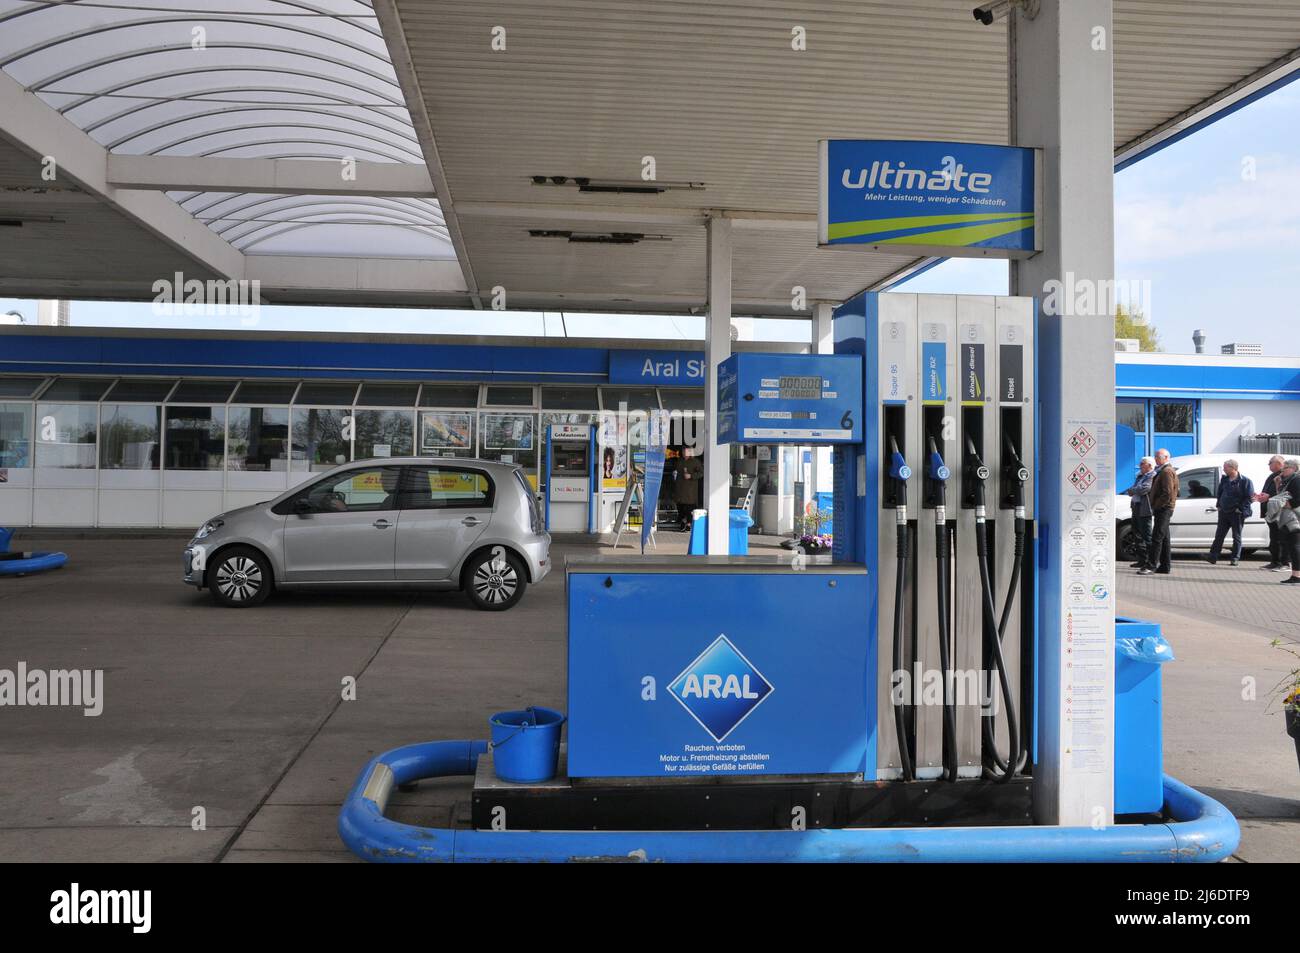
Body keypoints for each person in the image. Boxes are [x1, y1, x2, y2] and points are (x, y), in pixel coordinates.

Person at [1207, 458, 1254, 566]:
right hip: (1224, 512)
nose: (1223, 469)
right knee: (1219, 535)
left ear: (1232, 468)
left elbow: (1249, 497)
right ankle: (1213, 556)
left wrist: (1240, 509)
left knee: (1236, 536)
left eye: (1225, 467)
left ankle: (1235, 558)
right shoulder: (1224, 480)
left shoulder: (1245, 481)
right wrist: (1218, 505)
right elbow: (1220, 492)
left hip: (1236, 513)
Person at [1139, 448, 1178, 576]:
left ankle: (1151, 565)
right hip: (1163, 508)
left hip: (1164, 508)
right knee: (1165, 538)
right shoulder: (1162, 470)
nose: (1156, 459)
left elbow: (1167, 493)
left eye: (1158, 457)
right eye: (1155, 457)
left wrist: (1156, 505)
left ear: (1166, 458)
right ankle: (1165, 566)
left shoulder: (1166, 471)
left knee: (1157, 537)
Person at [1254, 454, 1291, 572]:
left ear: (1279, 463)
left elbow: (1285, 494)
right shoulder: (1272, 476)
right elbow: (1269, 491)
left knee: (1282, 538)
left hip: (1280, 513)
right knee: (1274, 538)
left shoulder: (1285, 476)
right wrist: (1260, 496)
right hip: (1270, 512)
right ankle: (1274, 561)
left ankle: (1284, 563)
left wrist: (1268, 497)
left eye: (1270, 462)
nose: (1268, 465)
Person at [1124, 457, 1155, 569]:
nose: (1140, 465)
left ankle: (1150, 561)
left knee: (1146, 535)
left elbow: (1144, 489)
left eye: (1142, 464)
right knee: (1137, 535)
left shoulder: (1152, 475)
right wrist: (1133, 490)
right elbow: (1133, 489)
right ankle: (1141, 560)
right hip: (1136, 507)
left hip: (1145, 509)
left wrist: (1133, 490)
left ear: (1149, 465)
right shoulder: (1140, 476)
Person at [1277, 458, 1300, 586]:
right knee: (1292, 546)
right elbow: (1280, 495)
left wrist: (1285, 504)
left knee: (1295, 547)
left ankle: (1297, 576)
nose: (1283, 470)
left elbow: (1297, 499)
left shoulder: (1296, 480)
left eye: (1286, 468)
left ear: (1293, 468)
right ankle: (1295, 575)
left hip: (1295, 519)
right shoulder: (1288, 480)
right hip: (1289, 518)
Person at [673, 446, 704, 530]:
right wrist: (675, 474)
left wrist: (691, 476)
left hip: (690, 491)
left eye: (686, 451)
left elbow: (701, 473)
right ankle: (683, 522)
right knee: (680, 507)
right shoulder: (680, 461)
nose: (684, 452)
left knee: (689, 508)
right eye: (683, 451)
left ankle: (688, 524)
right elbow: (676, 471)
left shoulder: (695, 462)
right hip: (680, 489)